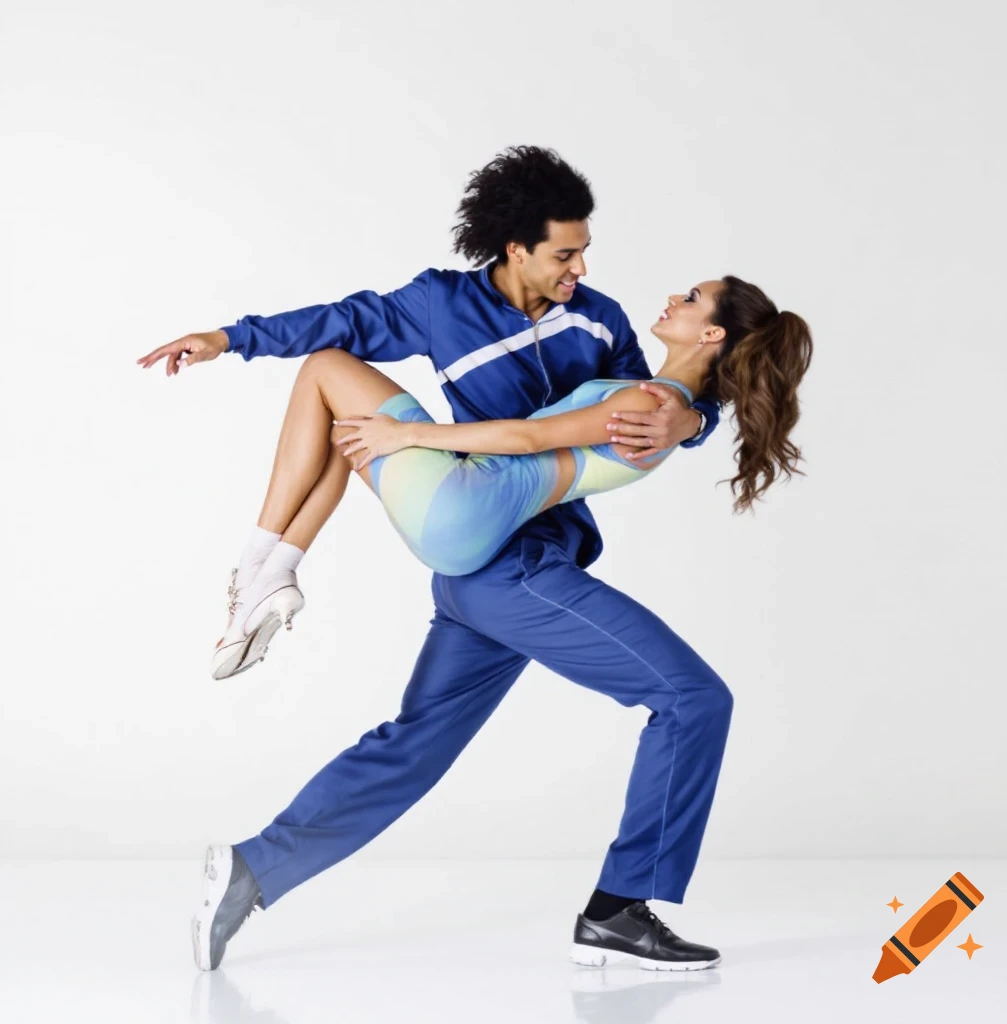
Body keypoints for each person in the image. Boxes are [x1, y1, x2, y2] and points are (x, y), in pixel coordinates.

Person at [137, 147, 812, 973]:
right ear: (515, 248)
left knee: (413, 743)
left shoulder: (600, 320)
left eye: (584, 252)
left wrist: (696, 421)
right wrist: (229, 338)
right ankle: (619, 912)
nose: (581, 269)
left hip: (509, 558)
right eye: (565, 253)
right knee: (692, 697)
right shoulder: (442, 305)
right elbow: (342, 323)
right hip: (504, 566)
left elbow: (655, 403)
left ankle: (251, 868)